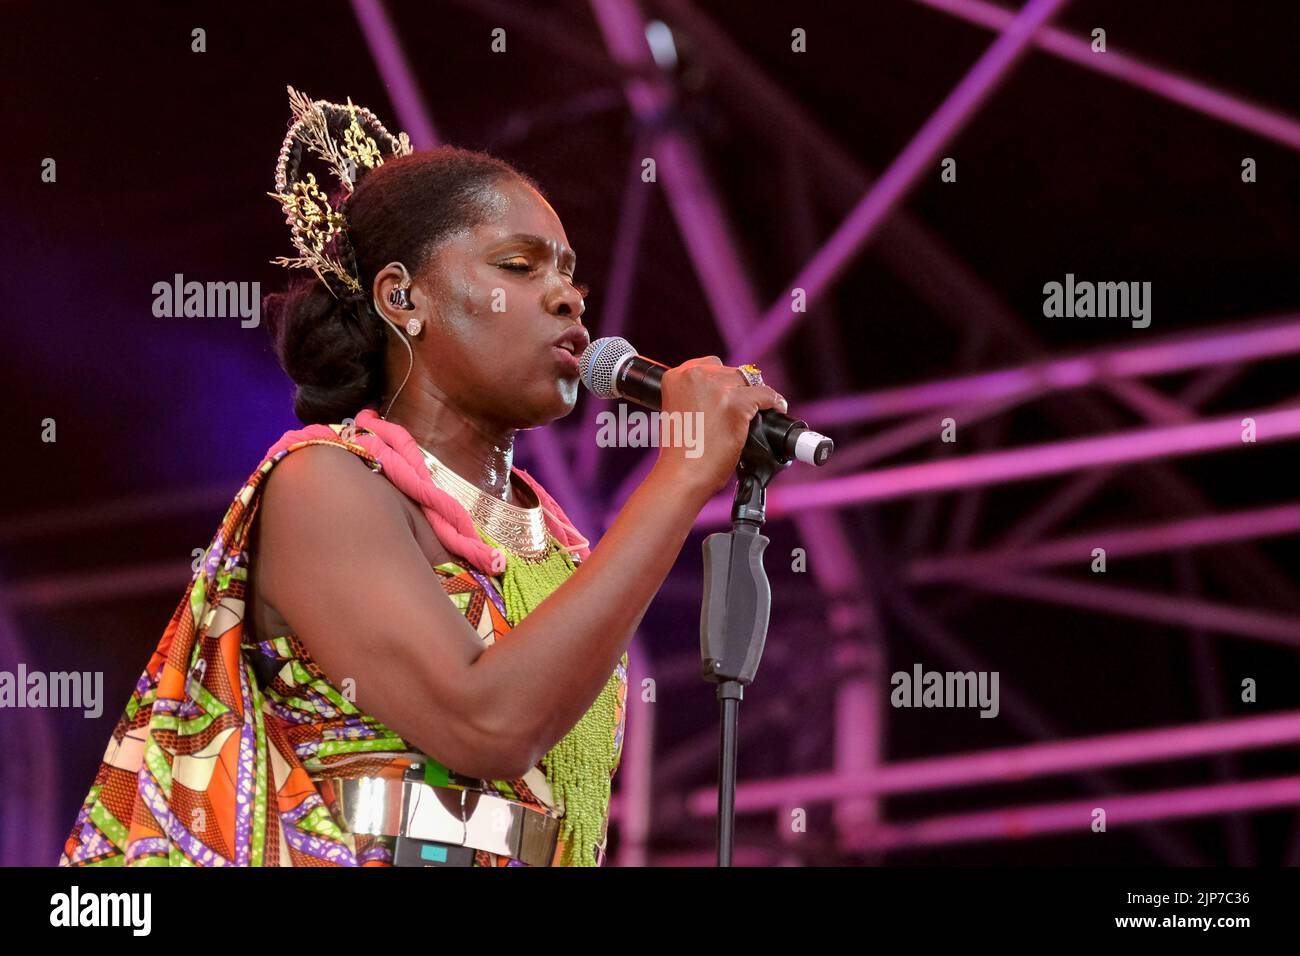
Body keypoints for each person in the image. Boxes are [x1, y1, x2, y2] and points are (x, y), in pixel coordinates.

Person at [58, 88, 786, 867]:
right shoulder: (324, 483)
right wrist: (679, 476)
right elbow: (487, 725)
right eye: (519, 264)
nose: (570, 296)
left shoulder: (558, 549)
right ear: (402, 298)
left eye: (572, 274)